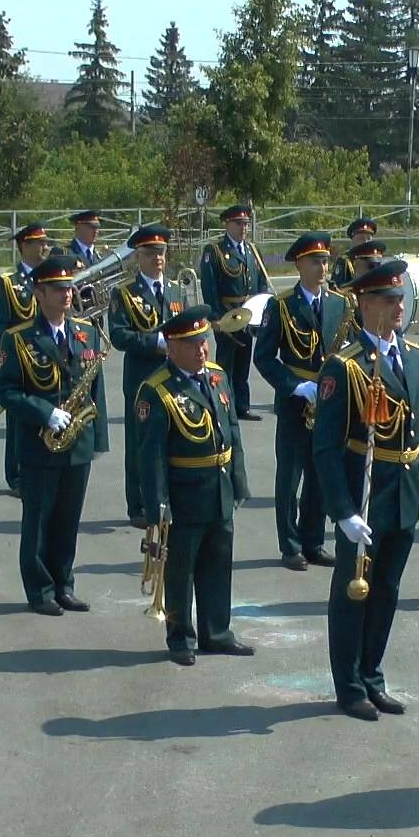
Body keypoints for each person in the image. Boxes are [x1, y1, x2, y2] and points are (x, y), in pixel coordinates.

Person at [314, 259, 419, 721]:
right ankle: (349, 685)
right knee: (354, 592)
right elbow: (327, 450)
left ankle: (372, 674)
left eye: (400, 299)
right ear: (364, 303)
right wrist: (343, 510)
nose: (398, 307)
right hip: (366, 493)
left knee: (386, 588)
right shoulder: (345, 367)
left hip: (405, 491)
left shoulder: (416, 357)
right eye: (389, 300)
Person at [135, 306, 254, 666]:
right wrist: (157, 505)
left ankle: (216, 631)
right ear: (171, 348)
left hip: (218, 487)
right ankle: (180, 636)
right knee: (181, 569)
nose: (202, 349)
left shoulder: (217, 377)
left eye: (203, 341)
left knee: (218, 562)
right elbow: (151, 455)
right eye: (191, 343)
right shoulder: (156, 391)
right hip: (185, 492)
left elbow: (231, 430)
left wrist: (238, 479)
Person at [0, 255, 110, 615]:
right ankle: (40, 589)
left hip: (77, 442)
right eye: (58, 289)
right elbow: (6, 391)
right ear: (39, 292)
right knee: (39, 520)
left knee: (68, 518)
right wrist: (45, 412)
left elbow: (96, 391)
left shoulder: (86, 332)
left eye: (69, 287)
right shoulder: (18, 339)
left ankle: (64, 583)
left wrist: (97, 438)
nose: (67, 294)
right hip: (38, 443)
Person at [253, 232, 351, 570]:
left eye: (325, 260)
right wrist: (295, 387)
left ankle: (313, 541)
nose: (323, 267)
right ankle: (290, 545)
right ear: (299, 265)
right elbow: (264, 357)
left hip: (330, 402)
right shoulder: (281, 306)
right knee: (290, 477)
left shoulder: (340, 304)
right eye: (315, 261)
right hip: (297, 403)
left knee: (321, 475)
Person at [108, 224, 188, 528]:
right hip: (142, 379)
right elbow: (118, 335)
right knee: (141, 443)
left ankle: (168, 497)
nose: (158, 258)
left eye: (162, 252)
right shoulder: (124, 293)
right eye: (151, 253)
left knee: (175, 439)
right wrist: (155, 342)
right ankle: (138, 503)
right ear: (138, 257)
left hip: (174, 379)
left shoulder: (177, 290)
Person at [0, 222, 51, 497]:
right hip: (17, 356)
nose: (45, 247)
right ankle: (16, 475)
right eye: (39, 243)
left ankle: (38, 468)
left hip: (45, 356)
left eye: (45, 242)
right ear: (24, 246)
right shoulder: (8, 283)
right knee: (16, 419)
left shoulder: (49, 279)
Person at [198, 204, 270, 421]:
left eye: (246, 224)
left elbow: (260, 284)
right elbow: (209, 288)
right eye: (239, 224)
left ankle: (241, 405)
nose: (243, 228)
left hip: (248, 316)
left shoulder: (251, 250)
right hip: (227, 315)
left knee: (243, 364)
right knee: (225, 365)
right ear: (227, 224)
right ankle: (223, 405)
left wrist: (260, 308)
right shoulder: (216, 251)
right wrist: (215, 317)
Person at [329, 218, 377, 289]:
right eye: (361, 238)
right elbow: (338, 289)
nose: (366, 242)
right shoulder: (344, 261)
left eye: (368, 238)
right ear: (353, 239)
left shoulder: (375, 260)